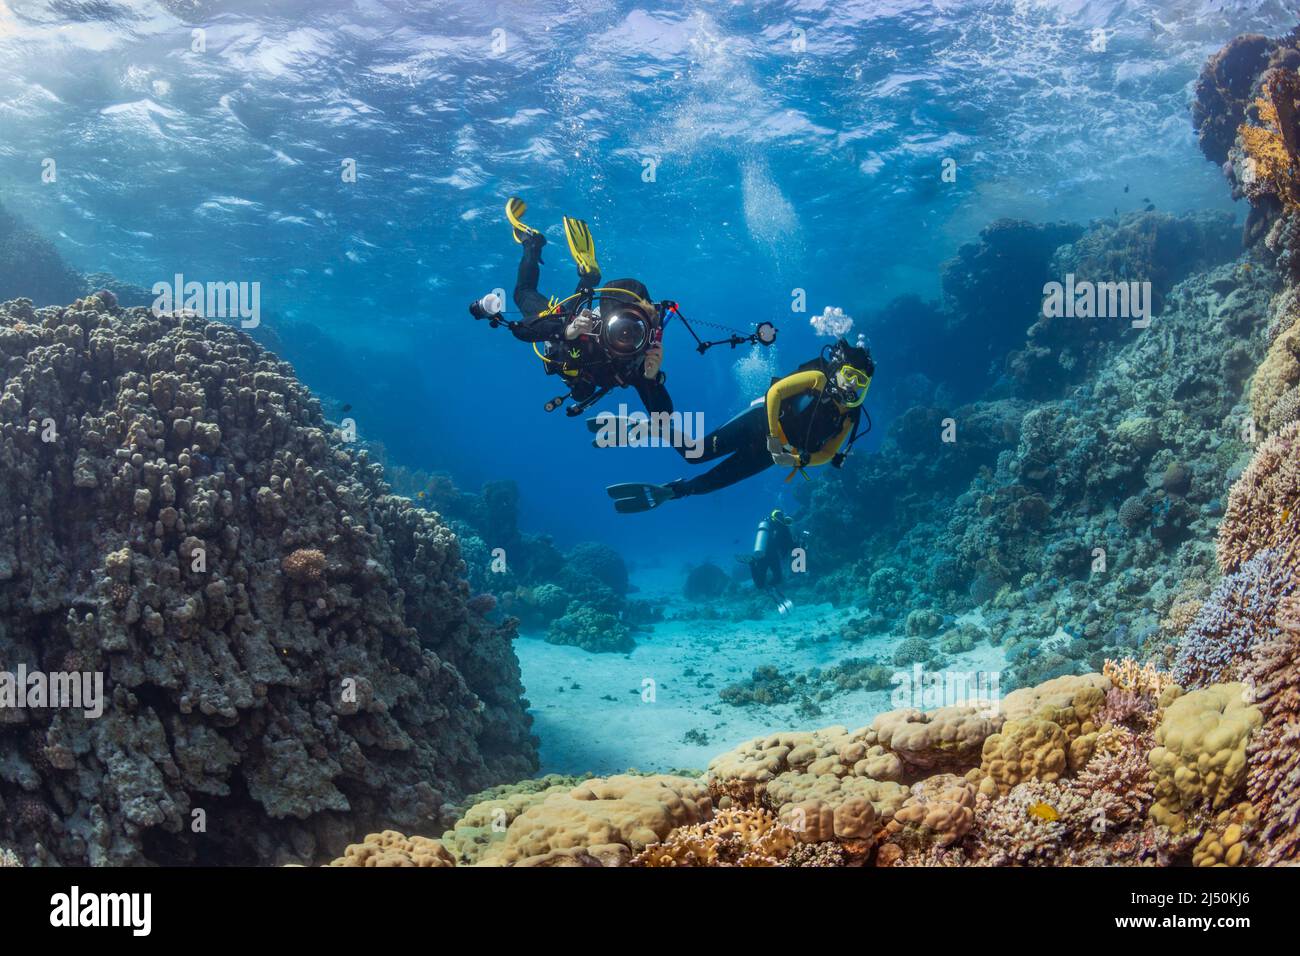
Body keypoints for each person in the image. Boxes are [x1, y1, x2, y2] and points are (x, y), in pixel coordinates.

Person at [605, 337, 874, 513]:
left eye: (860, 382)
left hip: (776, 453)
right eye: (849, 375)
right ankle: (655, 426)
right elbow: (776, 393)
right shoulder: (817, 378)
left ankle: (671, 491)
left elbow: (828, 454)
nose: (852, 385)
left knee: (709, 484)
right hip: (759, 422)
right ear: (839, 370)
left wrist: (799, 460)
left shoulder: (850, 416)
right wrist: (772, 436)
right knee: (694, 454)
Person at [500, 196, 671, 416]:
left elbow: (663, 416)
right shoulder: (600, 335)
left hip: (570, 321)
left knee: (531, 296)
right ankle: (533, 245)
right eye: (622, 327)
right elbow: (520, 330)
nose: (625, 336)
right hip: (569, 321)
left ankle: (582, 274)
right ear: (608, 321)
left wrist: (652, 379)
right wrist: (565, 331)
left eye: (634, 334)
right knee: (524, 293)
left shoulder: (638, 360)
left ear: (646, 336)